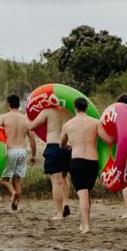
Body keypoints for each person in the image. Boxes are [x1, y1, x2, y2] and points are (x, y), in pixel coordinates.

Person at [60, 97, 104, 234]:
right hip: (92, 161)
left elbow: (61, 144)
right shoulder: (96, 123)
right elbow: (108, 139)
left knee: (82, 194)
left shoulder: (68, 125)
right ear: (86, 107)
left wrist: (68, 146)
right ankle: (83, 223)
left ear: (75, 107)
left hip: (77, 161)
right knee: (86, 194)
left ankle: (86, 226)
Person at [0, 94, 35, 211]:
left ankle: (13, 193)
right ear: (19, 104)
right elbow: (32, 138)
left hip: (11, 150)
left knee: (4, 180)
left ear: (8, 104)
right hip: (22, 151)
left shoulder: (4, 117)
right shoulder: (26, 119)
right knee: (17, 179)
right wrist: (33, 155)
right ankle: (16, 204)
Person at [39, 92, 72, 220]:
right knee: (64, 176)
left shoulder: (47, 111)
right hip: (67, 147)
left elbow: (32, 125)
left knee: (56, 181)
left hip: (53, 146)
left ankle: (59, 214)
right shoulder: (69, 112)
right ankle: (66, 203)